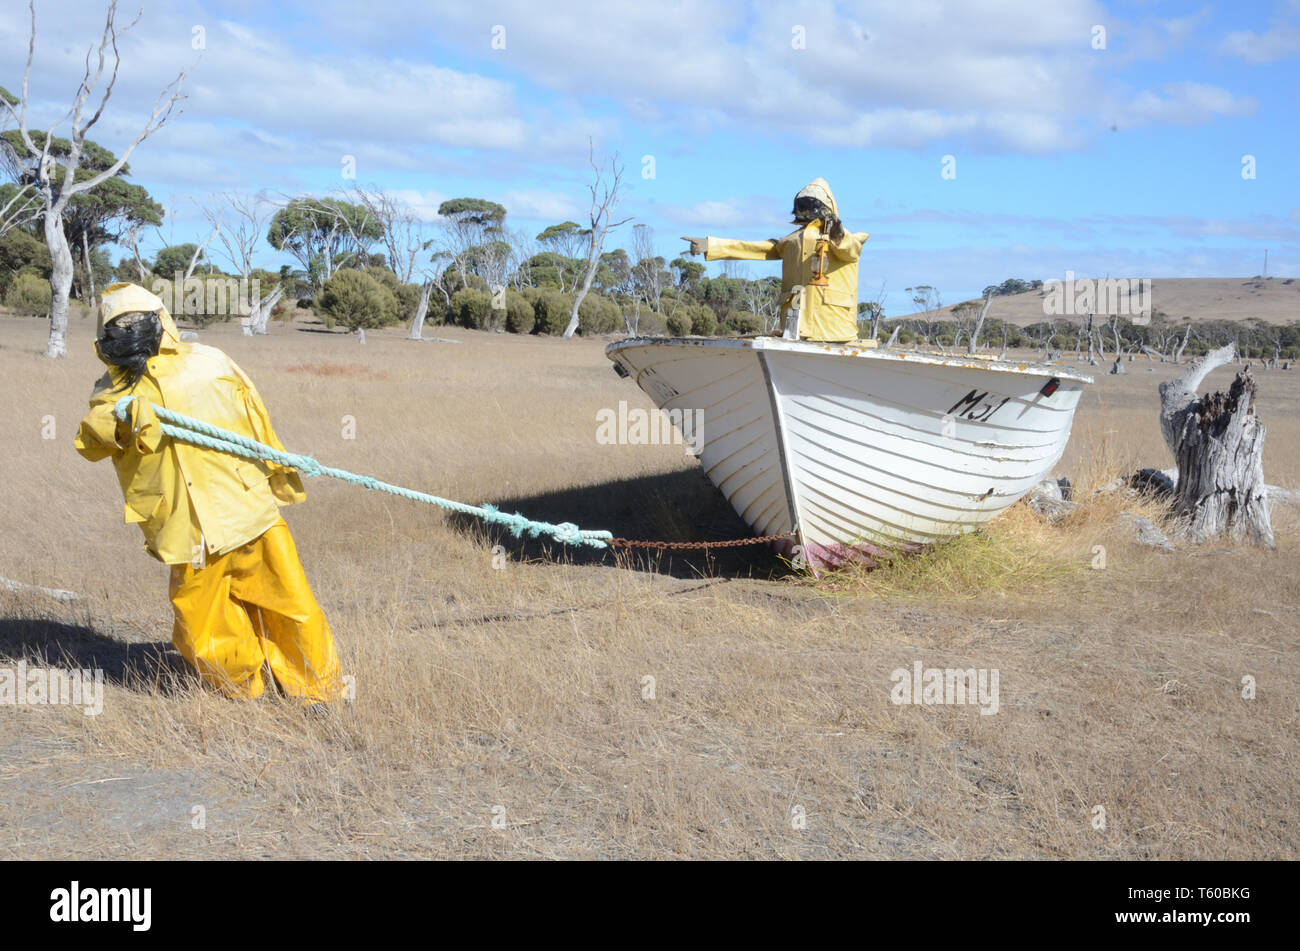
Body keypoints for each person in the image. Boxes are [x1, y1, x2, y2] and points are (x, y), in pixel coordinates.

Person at [74, 282, 342, 709]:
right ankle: (247, 692)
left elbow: (257, 418)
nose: (128, 330)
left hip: (249, 513)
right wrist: (120, 419)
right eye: (117, 325)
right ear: (103, 337)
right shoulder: (110, 390)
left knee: (291, 607)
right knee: (203, 627)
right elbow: (90, 441)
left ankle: (319, 694)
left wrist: (281, 474)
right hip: (186, 531)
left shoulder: (211, 361)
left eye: (135, 321)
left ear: (161, 321)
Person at [682, 178, 869, 343]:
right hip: (794, 329)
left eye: (810, 205)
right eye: (803, 206)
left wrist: (837, 235)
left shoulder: (845, 239)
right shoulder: (792, 240)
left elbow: (851, 250)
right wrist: (711, 245)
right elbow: (759, 249)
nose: (806, 210)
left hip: (834, 331)